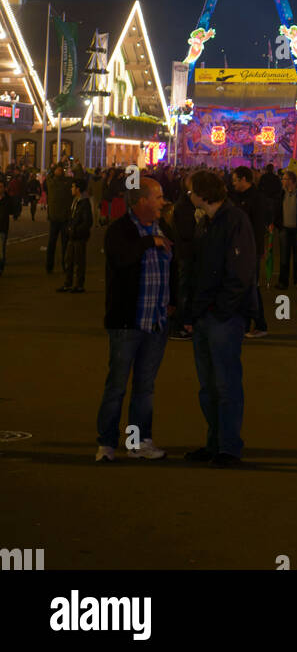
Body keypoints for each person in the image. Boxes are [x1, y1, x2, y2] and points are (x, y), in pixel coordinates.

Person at [95, 178, 175, 462]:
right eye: (158, 197)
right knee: (117, 385)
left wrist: (174, 304)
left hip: (156, 322)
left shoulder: (163, 227)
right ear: (142, 201)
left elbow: (174, 267)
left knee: (145, 387)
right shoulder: (121, 229)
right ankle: (106, 443)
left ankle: (139, 441)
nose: (162, 202)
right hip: (127, 322)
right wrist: (148, 242)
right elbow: (121, 258)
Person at [186, 168, 258, 466]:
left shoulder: (233, 220)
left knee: (225, 383)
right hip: (206, 313)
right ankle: (215, 441)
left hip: (222, 316)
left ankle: (228, 446)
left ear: (203, 194)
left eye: (190, 191)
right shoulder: (209, 221)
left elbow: (239, 273)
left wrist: (221, 309)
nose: (188, 196)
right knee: (208, 385)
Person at [232, 167, 269, 339]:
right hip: (241, 249)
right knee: (246, 287)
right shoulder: (237, 198)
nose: (233, 183)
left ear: (244, 179)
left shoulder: (256, 198)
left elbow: (258, 227)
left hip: (251, 250)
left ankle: (259, 323)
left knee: (251, 287)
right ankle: (247, 324)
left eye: (235, 180)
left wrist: (258, 250)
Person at [168, 174, 199, 339]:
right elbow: (187, 232)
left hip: (187, 252)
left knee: (186, 288)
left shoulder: (188, 204)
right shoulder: (184, 206)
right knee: (184, 289)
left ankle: (184, 322)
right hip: (186, 253)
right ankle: (180, 324)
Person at [58, 176, 93, 292]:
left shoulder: (84, 202)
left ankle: (79, 285)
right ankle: (68, 283)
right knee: (69, 260)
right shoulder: (76, 201)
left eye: (73, 187)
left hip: (79, 237)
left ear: (78, 189)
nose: (71, 189)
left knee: (79, 261)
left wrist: (76, 230)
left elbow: (87, 221)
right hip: (72, 235)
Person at [275, 169, 297, 288]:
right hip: (285, 229)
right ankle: (283, 281)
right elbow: (277, 209)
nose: (282, 180)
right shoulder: (281, 193)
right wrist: (277, 223)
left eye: (285, 178)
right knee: (284, 256)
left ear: (291, 180)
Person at [45, 162, 73, 274]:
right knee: (53, 244)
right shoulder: (55, 182)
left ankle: (63, 265)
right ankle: (50, 266)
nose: (60, 171)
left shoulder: (66, 183)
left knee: (64, 244)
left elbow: (78, 178)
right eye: (58, 170)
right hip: (55, 218)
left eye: (61, 170)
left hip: (63, 218)